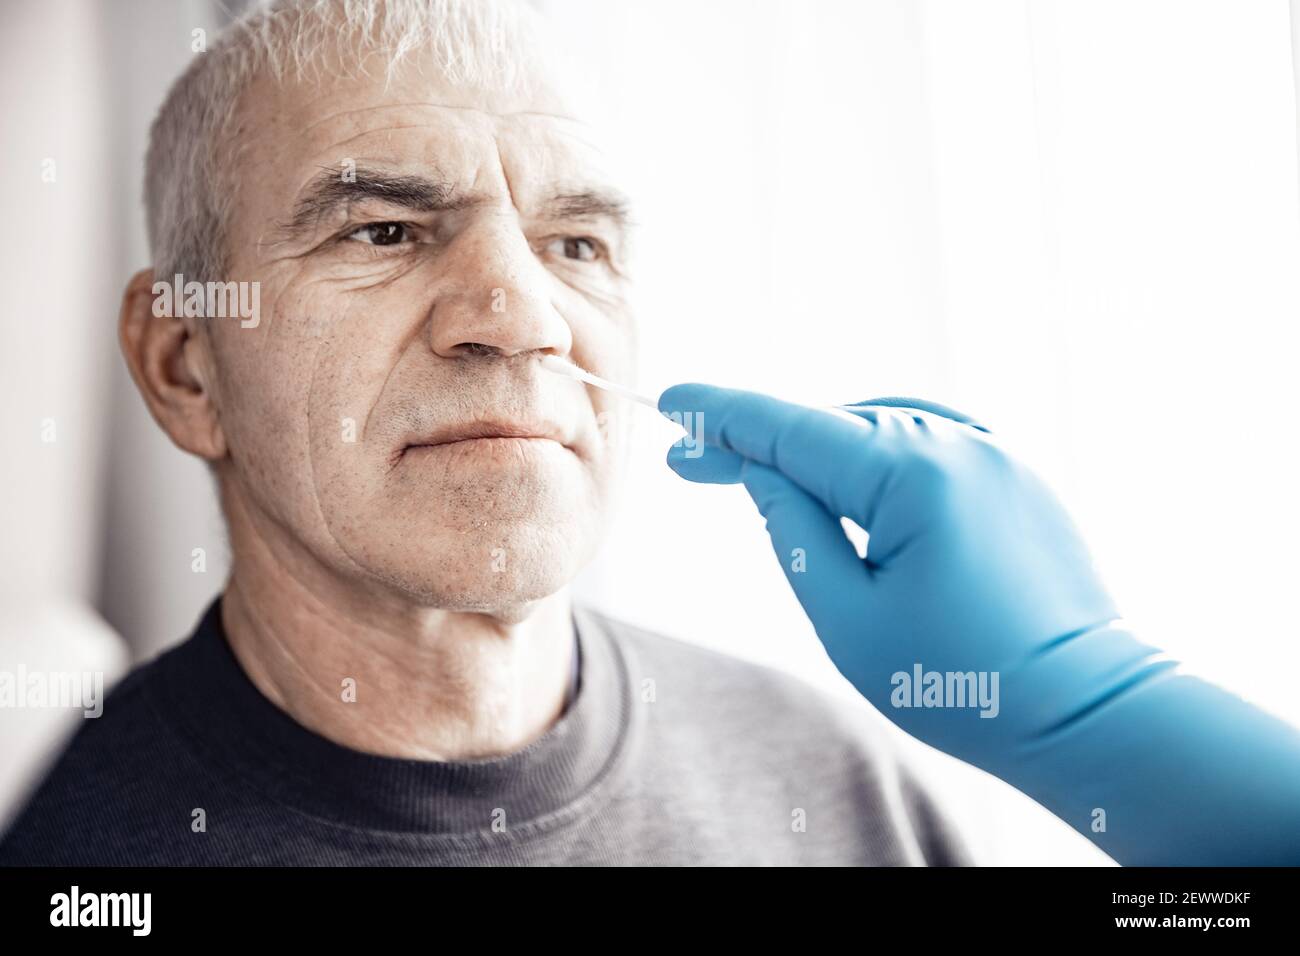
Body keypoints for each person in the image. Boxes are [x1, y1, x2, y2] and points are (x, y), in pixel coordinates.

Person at [0, 0, 969, 866]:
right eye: (383, 230)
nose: (522, 319)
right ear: (183, 363)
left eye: (576, 246)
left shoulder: (836, 782)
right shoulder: (59, 841)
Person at [658, 385, 1300, 865]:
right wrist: (1084, 699)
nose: (551, 330)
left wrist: (1091, 699)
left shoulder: (821, 759)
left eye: (579, 246)